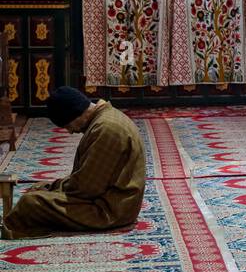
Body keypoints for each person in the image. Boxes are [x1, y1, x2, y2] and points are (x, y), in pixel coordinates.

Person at [1, 87, 146, 240]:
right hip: (112, 201)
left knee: (30, 203)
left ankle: (10, 231)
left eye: (68, 126)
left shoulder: (106, 129)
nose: (70, 131)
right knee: (40, 191)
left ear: (76, 114)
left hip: (110, 211)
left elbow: (86, 188)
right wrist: (49, 187)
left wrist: (49, 190)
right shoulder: (106, 119)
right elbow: (88, 179)